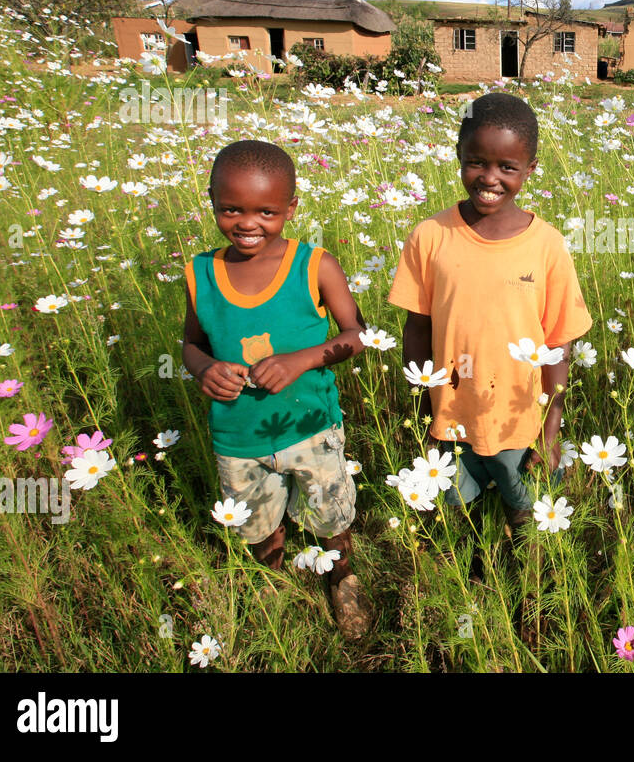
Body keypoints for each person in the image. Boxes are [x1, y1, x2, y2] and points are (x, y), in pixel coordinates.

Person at [182, 139, 371, 639]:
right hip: (237, 438)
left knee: (330, 514)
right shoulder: (201, 274)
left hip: (310, 428)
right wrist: (203, 370)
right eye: (231, 209)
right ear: (211, 201)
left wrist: (302, 360)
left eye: (266, 211)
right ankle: (272, 582)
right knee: (257, 523)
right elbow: (190, 343)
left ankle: (341, 576)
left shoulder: (315, 265)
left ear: (291, 207)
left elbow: (358, 336)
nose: (248, 223)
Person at [389, 92, 592, 529]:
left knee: (527, 511)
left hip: (519, 418)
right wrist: (421, 410)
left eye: (507, 167)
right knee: (460, 513)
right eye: (476, 162)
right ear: (458, 156)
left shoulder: (547, 245)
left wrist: (550, 428)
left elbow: (559, 342)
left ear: (530, 169)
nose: (489, 178)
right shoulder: (429, 237)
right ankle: (478, 576)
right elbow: (416, 331)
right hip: (449, 416)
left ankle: (528, 590)